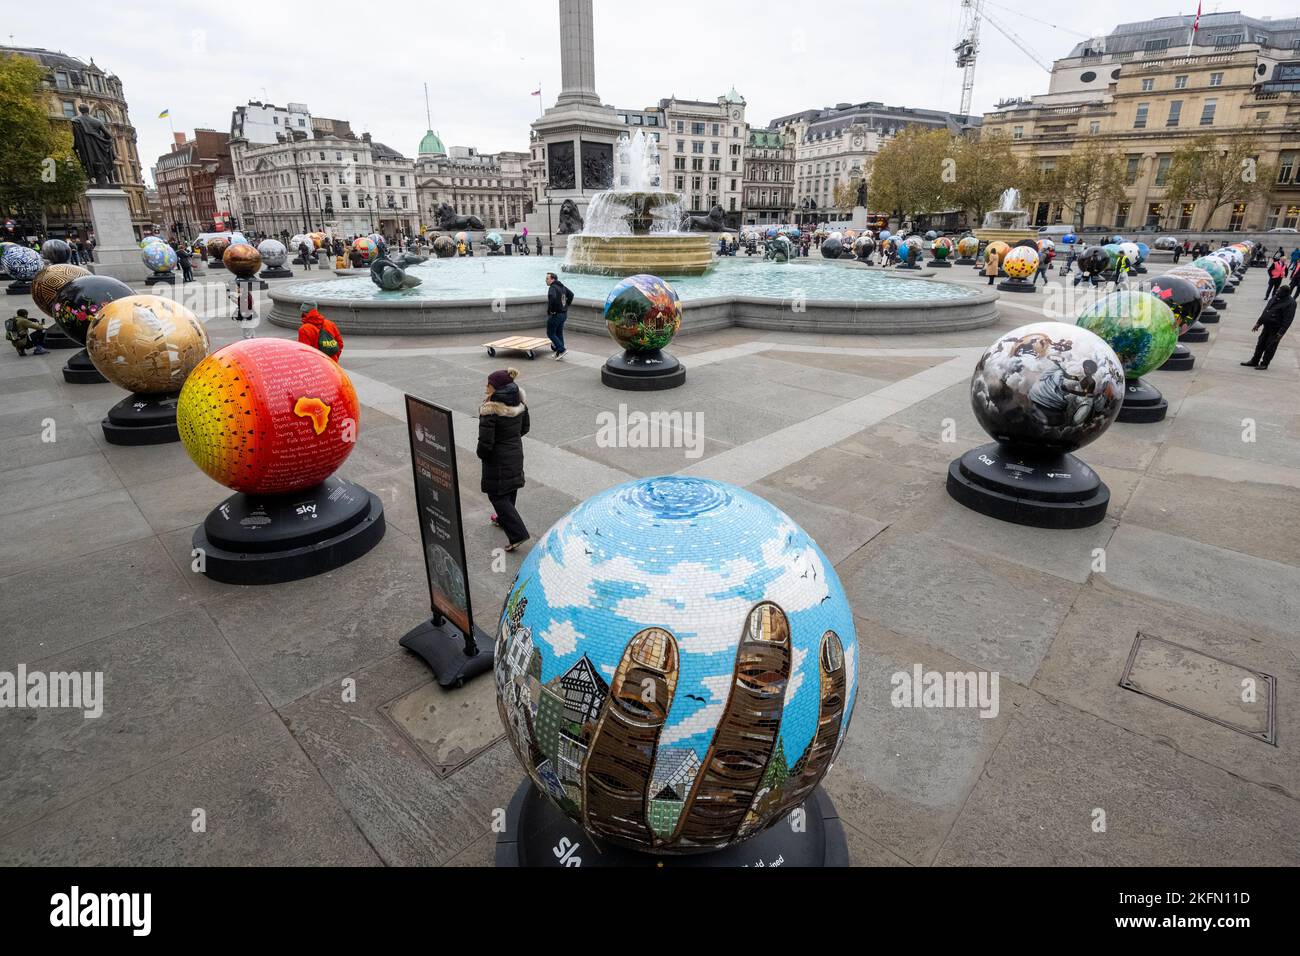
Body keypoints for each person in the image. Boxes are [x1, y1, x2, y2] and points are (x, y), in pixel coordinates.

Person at [477, 367, 530, 552]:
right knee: (509, 487)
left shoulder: (490, 410)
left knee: (497, 495)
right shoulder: (520, 402)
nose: (486, 387)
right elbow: (525, 428)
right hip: (515, 453)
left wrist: (482, 454)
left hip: (498, 458)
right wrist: (511, 440)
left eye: (489, 385)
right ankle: (503, 518)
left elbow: (486, 442)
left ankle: (518, 534)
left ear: (497, 388)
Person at [1242, 286, 1296, 371]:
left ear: (1285, 293)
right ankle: (1254, 361)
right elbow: (1266, 310)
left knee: (1270, 347)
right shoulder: (1275, 297)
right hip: (1267, 326)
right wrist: (1259, 323)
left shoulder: (1290, 303)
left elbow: (1288, 319)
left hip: (1276, 329)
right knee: (1260, 344)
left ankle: (1264, 364)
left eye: (1279, 291)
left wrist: (1281, 332)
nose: (1277, 291)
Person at [545, 271, 573, 360]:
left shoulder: (552, 288)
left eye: (547, 278)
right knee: (558, 333)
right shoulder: (562, 286)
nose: (546, 280)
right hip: (563, 314)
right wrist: (566, 305)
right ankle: (559, 352)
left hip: (556, 314)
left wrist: (551, 310)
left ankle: (562, 349)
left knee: (550, 333)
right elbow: (571, 294)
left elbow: (552, 298)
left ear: (553, 279)